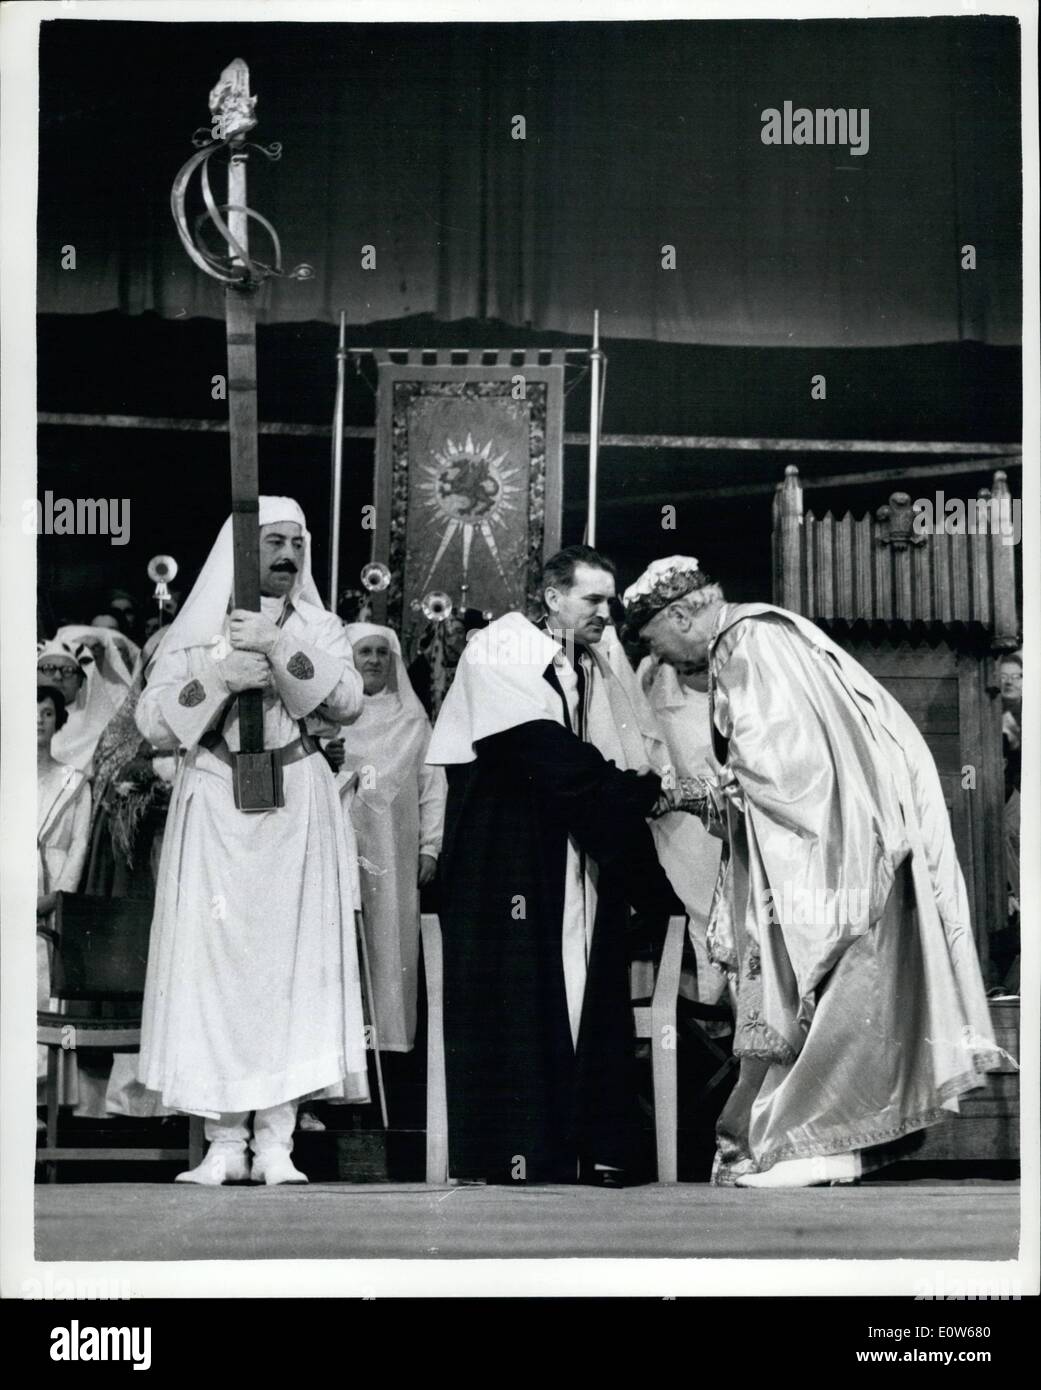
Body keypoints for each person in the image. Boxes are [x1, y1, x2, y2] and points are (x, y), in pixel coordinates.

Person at [623, 556, 1002, 1187]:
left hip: (832, 856)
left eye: (655, 642)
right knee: (795, 1008)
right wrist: (705, 796)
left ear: (683, 614)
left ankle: (812, 1145)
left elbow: (787, 777)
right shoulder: (757, 638)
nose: (660, 660)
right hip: (837, 843)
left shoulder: (750, 642)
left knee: (824, 993)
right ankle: (813, 1146)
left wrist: (699, 793)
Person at [426, 545, 686, 1185]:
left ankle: (587, 1149)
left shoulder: (595, 661)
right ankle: (519, 1155)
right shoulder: (504, 646)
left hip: (576, 851)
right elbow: (539, 750)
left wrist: (639, 798)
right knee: (519, 995)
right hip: (508, 853)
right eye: (593, 599)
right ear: (551, 598)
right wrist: (635, 793)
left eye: (611, 598)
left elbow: (618, 752)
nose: (608, 611)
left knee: (586, 988)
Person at [133, 497, 371, 1185]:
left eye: (297, 542)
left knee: (288, 970)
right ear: (240, 549)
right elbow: (153, 723)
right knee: (216, 966)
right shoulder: (195, 630)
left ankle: (277, 1142)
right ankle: (222, 1140)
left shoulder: (321, 625)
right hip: (214, 798)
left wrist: (276, 645)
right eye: (273, 542)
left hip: (295, 804)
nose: (289, 555)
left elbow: (348, 702)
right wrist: (217, 678)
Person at [325, 624, 446, 1055]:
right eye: (364, 652)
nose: (374, 660)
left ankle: (389, 1043)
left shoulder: (413, 720)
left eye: (382, 653)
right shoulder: (330, 717)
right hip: (339, 842)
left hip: (394, 849)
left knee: (390, 938)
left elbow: (433, 786)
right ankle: (340, 1049)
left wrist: (430, 846)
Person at [37, 686, 92, 1113]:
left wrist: (57, 896)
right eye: (32, 711)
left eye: (48, 712)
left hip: (49, 892)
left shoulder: (73, 780)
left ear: (59, 721)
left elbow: (78, 845)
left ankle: (44, 1106)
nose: (39, 719)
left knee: (45, 995)